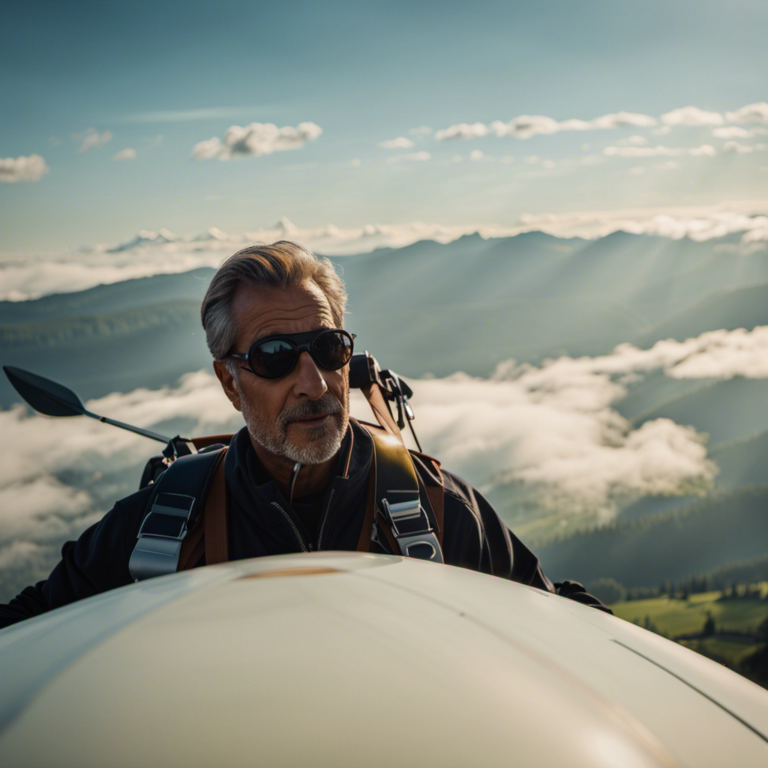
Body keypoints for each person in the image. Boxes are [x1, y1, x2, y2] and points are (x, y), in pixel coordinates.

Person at [0, 241, 607, 628]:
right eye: (273, 356)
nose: (313, 382)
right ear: (230, 382)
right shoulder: (160, 526)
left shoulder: (439, 508)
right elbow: (29, 630)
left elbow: (554, 613)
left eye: (327, 347)